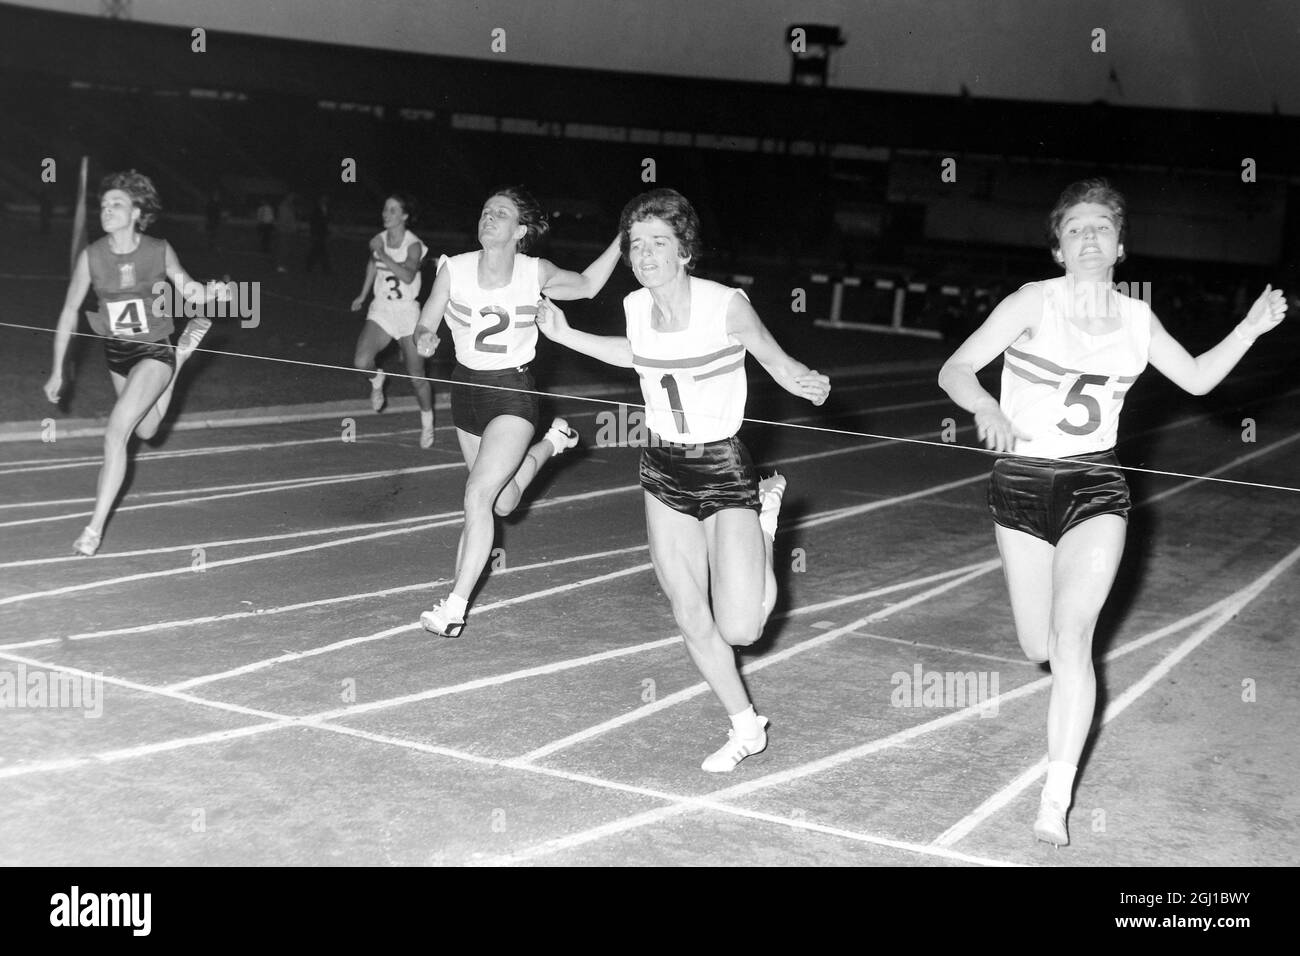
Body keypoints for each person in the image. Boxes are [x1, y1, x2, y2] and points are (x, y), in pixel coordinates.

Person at [937, 178, 1288, 846]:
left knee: (1073, 640)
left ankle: (1055, 797)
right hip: (1019, 484)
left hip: (1096, 488)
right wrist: (984, 406)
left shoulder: (1137, 320)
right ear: (1059, 247)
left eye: (1102, 227)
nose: (1089, 237)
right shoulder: (1031, 302)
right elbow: (957, 368)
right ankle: (1053, 704)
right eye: (1075, 228)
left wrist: (1248, 327)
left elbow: (1199, 380)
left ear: (1120, 246)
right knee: (1038, 644)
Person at [536, 188, 831, 772]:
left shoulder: (726, 305)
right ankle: (745, 726)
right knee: (689, 612)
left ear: (685, 250)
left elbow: (773, 357)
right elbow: (637, 354)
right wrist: (566, 334)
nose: (644, 256)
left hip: (722, 467)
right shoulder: (635, 307)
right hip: (663, 466)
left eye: (658, 244)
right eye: (636, 246)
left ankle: (766, 522)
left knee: (741, 627)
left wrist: (802, 378)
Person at [412, 186, 621, 638]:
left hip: (512, 394)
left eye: (500, 214)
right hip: (465, 391)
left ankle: (454, 607)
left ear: (520, 230)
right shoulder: (454, 267)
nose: (489, 219)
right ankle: (554, 443)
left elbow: (586, 286)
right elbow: (427, 317)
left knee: (476, 497)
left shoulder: (535, 271)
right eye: (486, 212)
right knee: (503, 501)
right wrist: (424, 337)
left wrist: (622, 239)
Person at [44, 170, 230, 556]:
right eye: (103, 204)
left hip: (151, 351)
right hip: (117, 355)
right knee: (147, 431)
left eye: (116, 204)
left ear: (136, 212)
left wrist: (210, 292)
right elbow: (69, 311)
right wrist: (58, 368)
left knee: (116, 433)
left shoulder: (158, 250)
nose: (106, 210)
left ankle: (93, 529)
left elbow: (188, 288)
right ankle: (181, 359)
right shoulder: (92, 256)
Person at [350, 193, 435, 447]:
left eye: (393, 210)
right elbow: (372, 265)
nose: (386, 214)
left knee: (416, 376)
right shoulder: (379, 239)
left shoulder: (414, 245)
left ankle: (427, 423)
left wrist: (382, 254)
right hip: (382, 309)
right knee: (361, 361)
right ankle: (377, 379)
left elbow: (408, 276)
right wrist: (363, 294)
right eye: (385, 209)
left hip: (407, 313)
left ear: (405, 216)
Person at [305, 195, 332, 275]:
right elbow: (314, 222)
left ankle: (311, 266)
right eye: (324, 199)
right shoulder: (316, 210)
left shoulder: (325, 209)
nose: (325, 201)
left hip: (321, 234)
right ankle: (325, 268)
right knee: (319, 251)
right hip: (317, 234)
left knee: (318, 251)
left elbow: (325, 222)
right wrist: (314, 234)